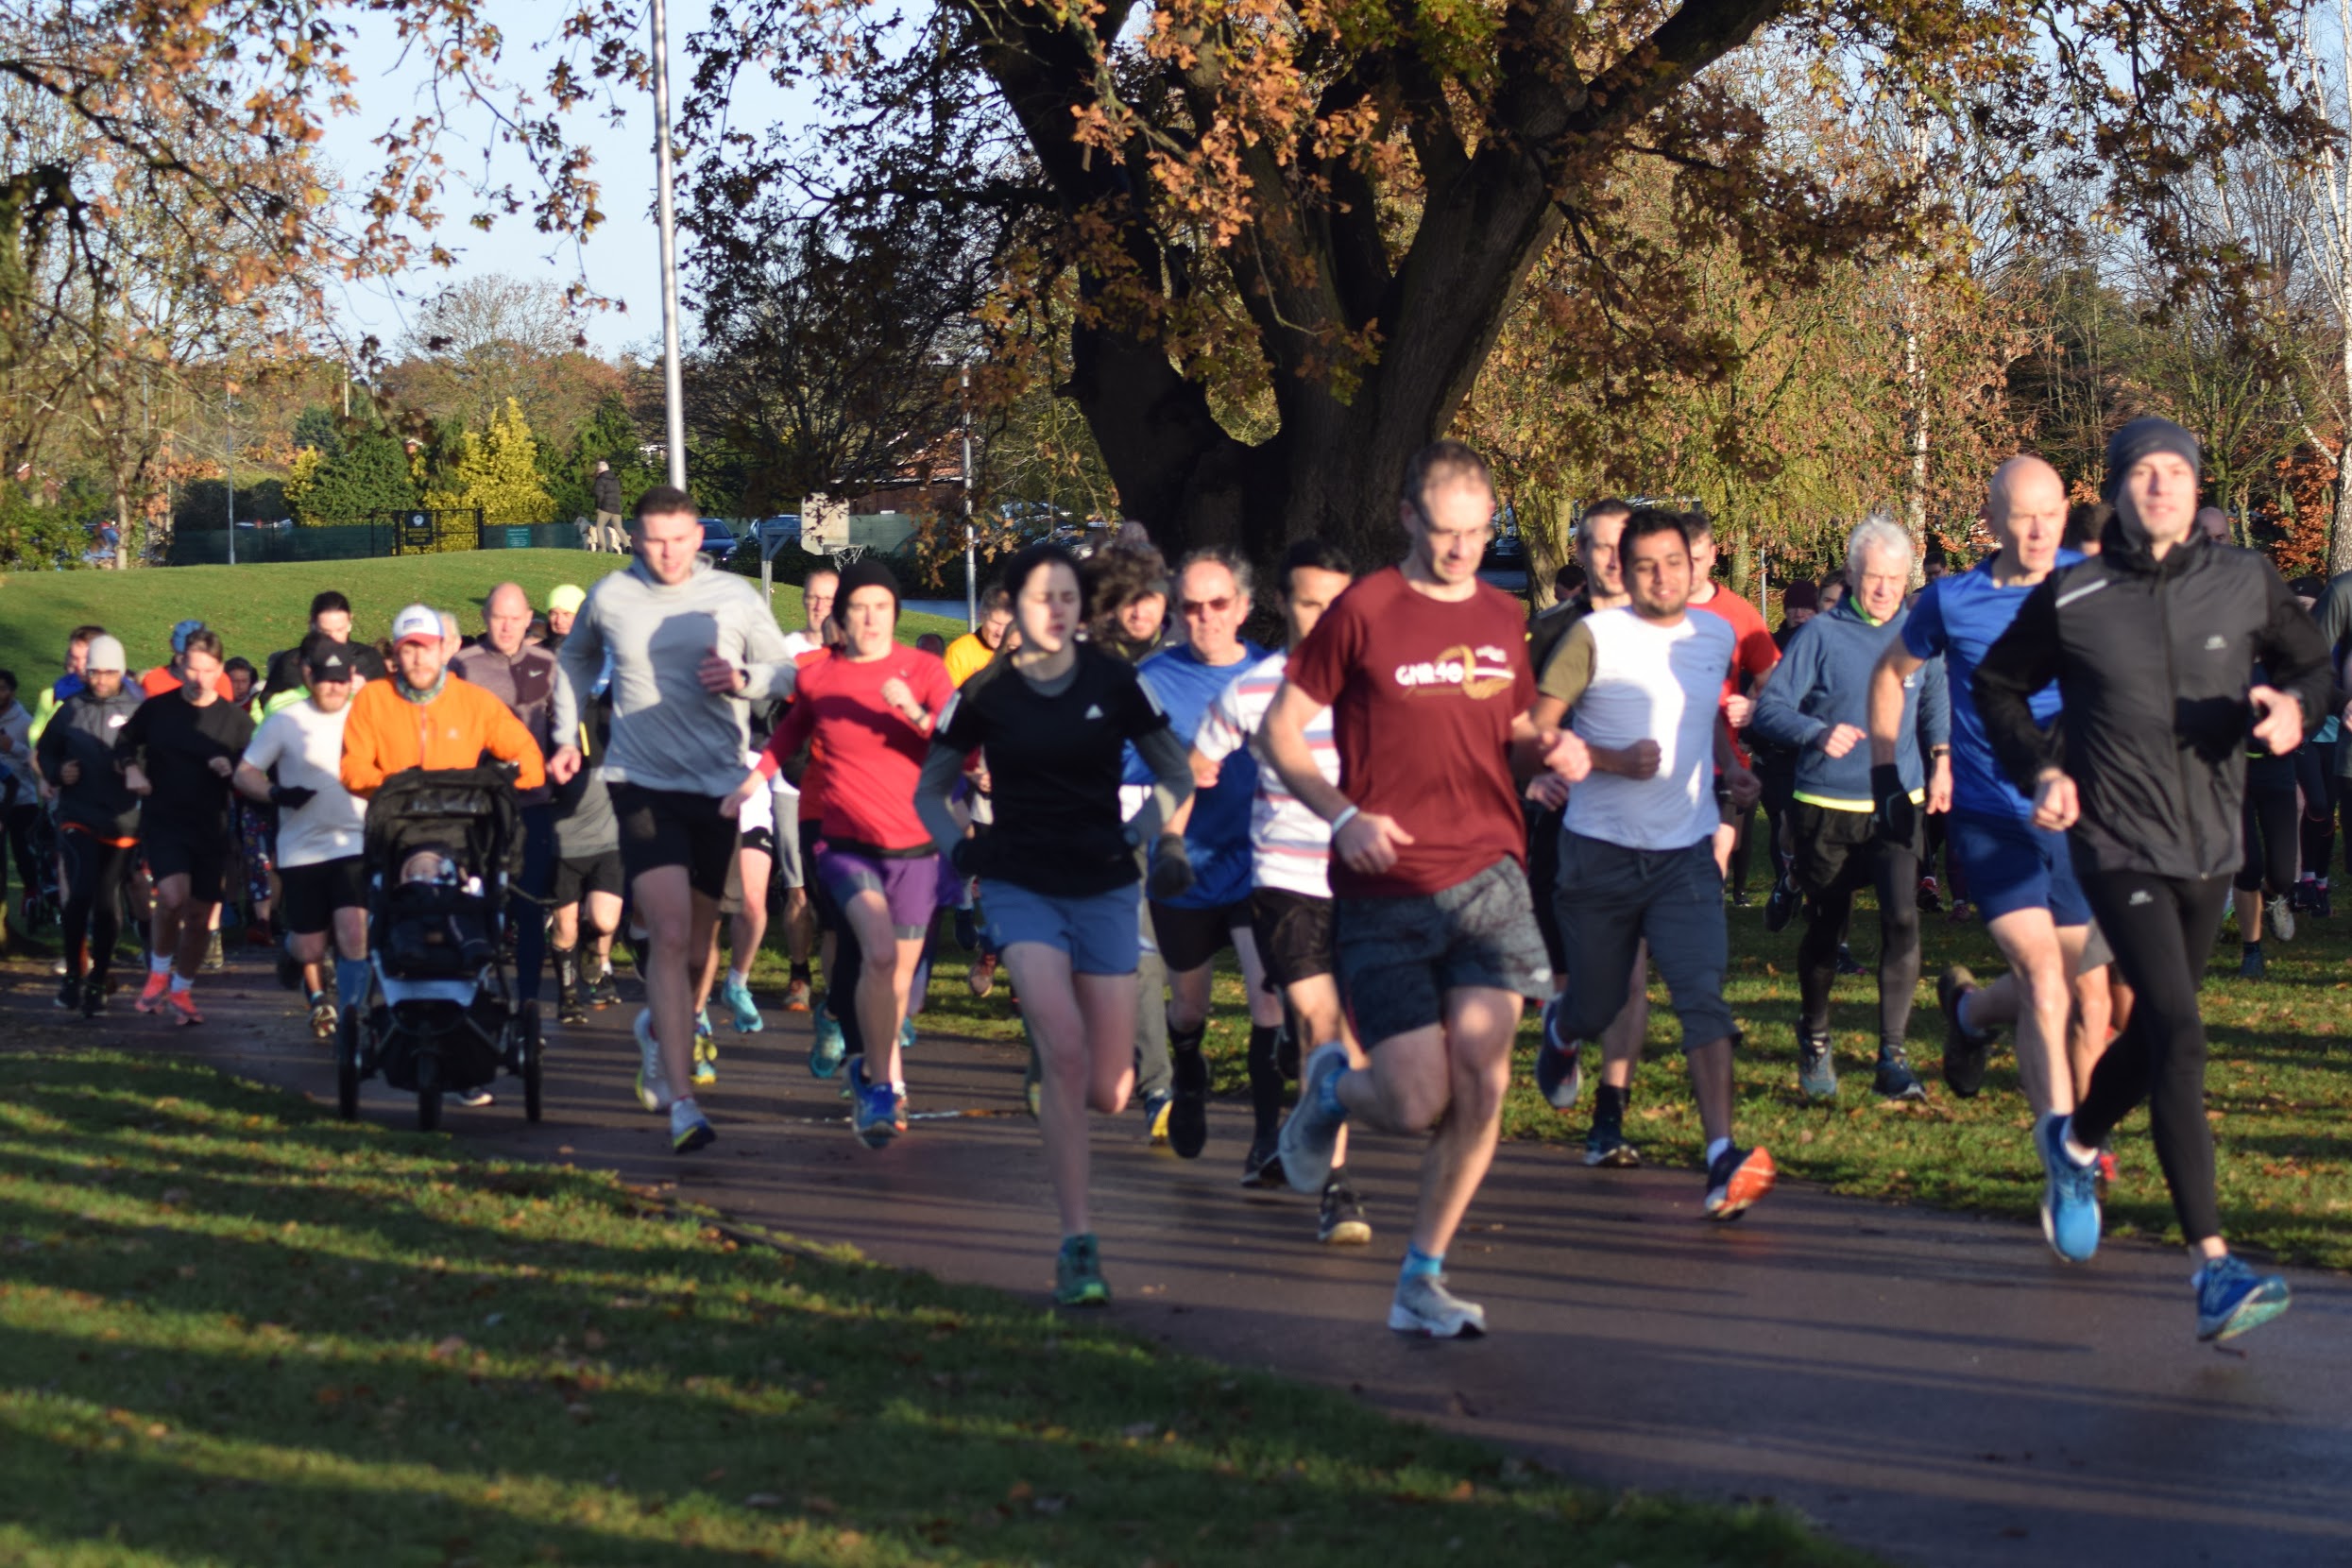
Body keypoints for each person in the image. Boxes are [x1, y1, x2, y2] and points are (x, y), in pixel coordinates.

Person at [1976, 415, 2327, 1341]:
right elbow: (1997, 686)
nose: (2163, 486)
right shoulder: (2077, 592)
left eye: (2178, 471)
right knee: (2179, 1031)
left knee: (2150, 1040)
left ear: (2198, 486)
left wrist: (2294, 708)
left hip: (2211, 847)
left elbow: (2315, 662)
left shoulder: (2246, 577)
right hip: (2116, 843)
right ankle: (2212, 1266)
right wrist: (2041, 769)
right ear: (2121, 488)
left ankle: (2075, 1141)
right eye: (2145, 473)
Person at [1267, 441, 1583, 1339]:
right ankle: (1332, 1088)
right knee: (1415, 1101)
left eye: (1477, 535)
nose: (1460, 552)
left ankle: (1422, 1277)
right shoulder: (1365, 609)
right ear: (1410, 518)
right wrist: (1341, 817)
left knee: (1483, 1083)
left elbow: (1513, 731)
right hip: (1386, 883)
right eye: (1444, 533)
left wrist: (1551, 753)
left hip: (1491, 876)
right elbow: (1280, 734)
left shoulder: (1498, 612)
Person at [914, 542, 1196, 1305]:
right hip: (1018, 883)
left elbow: (1174, 773)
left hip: (1104, 884)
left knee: (1109, 1088)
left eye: (1068, 597)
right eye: (1041, 597)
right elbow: (929, 788)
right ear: (1013, 606)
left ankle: (1071, 1069)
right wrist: (962, 850)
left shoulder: (1116, 681)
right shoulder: (986, 693)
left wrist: (1140, 841)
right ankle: (1078, 1241)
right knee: (1066, 1054)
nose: (1057, 610)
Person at [1867, 455, 2105, 1259]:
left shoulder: (2091, 582)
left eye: (2051, 514)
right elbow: (1891, 673)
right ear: (1993, 519)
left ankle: (1968, 1016)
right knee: (2046, 979)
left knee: (2090, 1001)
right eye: (2022, 516)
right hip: (1989, 817)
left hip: (2077, 816)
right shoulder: (1953, 600)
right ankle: (2064, 1162)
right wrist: (1885, 774)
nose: (2038, 531)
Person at [1528, 507, 1774, 1218]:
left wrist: (1734, 769)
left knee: (1702, 997)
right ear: (1623, 572)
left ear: (1695, 567)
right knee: (1602, 1000)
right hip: (1599, 854)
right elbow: (1537, 731)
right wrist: (1605, 759)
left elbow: (1700, 721)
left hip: (1685, 856)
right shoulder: (1591, 637)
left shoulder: (1717, 634)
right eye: (1646, 565)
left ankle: (1720, 1155)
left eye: (1675, 562)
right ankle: (1563, 1028)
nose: (1663, 576)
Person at [547, 486, 799, 1155]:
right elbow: (575, 658)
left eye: (679, 539)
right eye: (653, 539)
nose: (666, 552)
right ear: (634, 538)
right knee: (668, 928)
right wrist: (566, 733)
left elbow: (786, 673)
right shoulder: (611, 597)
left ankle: (663, 1030)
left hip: (717, 785)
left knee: (696, 951)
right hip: (642, 781)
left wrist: (742, 677)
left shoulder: (735, 597)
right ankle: (683, 1103)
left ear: (698, 538)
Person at [728, 559, 956, 1146]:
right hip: (845, 841)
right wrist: (757, 780)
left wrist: (914, 711)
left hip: (915, 846)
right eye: (859, 608)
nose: (870, 618)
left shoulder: (924, 669)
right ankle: (883, 1085)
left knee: (903, 986)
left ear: (896, 614)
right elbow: (789, 723)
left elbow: (960, 741)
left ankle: (867, 1062)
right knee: (877, 955)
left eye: (882, 607)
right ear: (842, 616)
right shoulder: (821, 675)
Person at [1190, 537, 1372, 1242]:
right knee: (1323, 1028)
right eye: (1307, 603)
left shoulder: (1376, 686)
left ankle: (1306, 1108)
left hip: (1363, 882)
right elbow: (1197, 763)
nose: (1323, 618)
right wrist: (1179, 816)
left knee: (1343, 1036)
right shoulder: (1252, 688)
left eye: (1335, 605)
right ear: (1280, 603)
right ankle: (1338, 1187)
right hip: (1286, 880)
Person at [1750, 516, 1950, 1102]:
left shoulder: (1919, 635)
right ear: (1854, 573)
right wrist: (1815, 732)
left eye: (1895, 578)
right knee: (1828, 926)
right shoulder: (1820, 636)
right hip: (1826, 805)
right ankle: (1814, 1033)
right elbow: (1770, 710)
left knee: (1901, 917)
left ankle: (1893, 1055)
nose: (1884, 590)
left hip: (1896, 800)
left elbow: (1936, 702)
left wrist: (1941, 757)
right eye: (1873, 578)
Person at [1134, 547, 1281, 1163]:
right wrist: (1177, 765)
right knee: (1191, 1006)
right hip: (1182, 866)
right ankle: (1188, 1075)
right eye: (1191, 607)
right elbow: (1119, 758)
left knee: (1267, 999)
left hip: (1256, 862)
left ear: (1243, 607)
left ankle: (1268, 1140)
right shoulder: (1151, 680)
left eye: (1218, 604)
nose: (1205, 618)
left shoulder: (1276, 674)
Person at [1526, 503, 1659, 1167]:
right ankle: (1563, 1033)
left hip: (1640, 821)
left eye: (1622, 545)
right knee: (1567, 971)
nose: (1612, 558)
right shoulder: (1548, 631)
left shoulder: (1668, 630)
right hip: (1565, 818)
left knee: (1631, 974)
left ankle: (1611, 1117)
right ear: (1578, 553)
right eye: (1600, 546)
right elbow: (1516, 726)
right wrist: (1532, 777)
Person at [116, 628, 253, 1025]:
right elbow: (124, 741)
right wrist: (131, 771)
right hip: (164, 819)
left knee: (199, 917)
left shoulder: (233, 721)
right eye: (192, 669)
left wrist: (232, 771)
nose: (198, 678)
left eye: (207, 671)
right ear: (181, 665)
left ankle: (182, 989)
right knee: (173, 898)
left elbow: (254, 770)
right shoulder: (158, 709)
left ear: (219, 671)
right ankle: (158, 971)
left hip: (211, 826)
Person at [235, 643, 369, 1039]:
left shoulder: (365, 717)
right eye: (325, 681)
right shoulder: (285, 720)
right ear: (309, 677)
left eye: (340, 681)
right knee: (310, 946)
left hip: (354, 841)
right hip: (301, 847)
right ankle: (306, 976)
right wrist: (275, 794)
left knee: (353, 931)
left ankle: (347, 1012)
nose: (333, 689)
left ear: (351, 680)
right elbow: (245, 773)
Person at [452, 584, 561, 1008]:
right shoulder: (464, 665)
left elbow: (563, 727)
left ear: (529, 617)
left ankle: (530, 1000)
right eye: (500, 617)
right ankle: (478, 995)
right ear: (485, 619)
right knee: (478, 902)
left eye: (516, 618)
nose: (508, 626)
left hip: (533, 802)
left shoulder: (547, 663)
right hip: (479, 807)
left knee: (530, 905)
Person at [35, 635, 142, 1015]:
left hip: (123, 817)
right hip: (77, 814)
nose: (101, 679)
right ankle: (71, 977)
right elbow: (45, 751)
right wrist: (57, 772)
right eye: (95, 672)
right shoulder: (70, 708)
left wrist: (134, 769)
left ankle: (98, 977)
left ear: (121, 670)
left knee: (106, 900)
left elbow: (153, 754)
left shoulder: (138, 706)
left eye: (109, 672)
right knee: (79, 893)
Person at [775, 568, 839, 1025]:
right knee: (797, 888)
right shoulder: (786, 652)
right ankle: (799, 975)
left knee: (837, 895)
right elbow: (773, 723)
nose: (819, 606)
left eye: (828, 599)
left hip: (844, 790)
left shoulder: (855, 653)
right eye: (812, 598)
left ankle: (838, 990)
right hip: (790, 786)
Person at [551, 677, 623, 1026]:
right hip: (564, 844)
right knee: (565, 927)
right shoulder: (542, 727)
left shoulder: (604, 717)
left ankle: (595, 953)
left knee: (604, 920)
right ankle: (568, 997)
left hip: (607, 840)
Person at [264, 591, 386, 700]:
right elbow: (267, 706)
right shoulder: (290, 663)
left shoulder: (369, 660)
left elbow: (387, 709)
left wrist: (367, 693)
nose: (333, 638)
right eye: (325, 632)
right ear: (311, 625)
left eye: (340, 630)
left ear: (350, 621)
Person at [139, 621, 238, 702]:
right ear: (171, 644)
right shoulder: (154, 680)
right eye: (183, 654)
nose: (187, 660)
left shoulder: (220, 681)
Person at [944, 586, 1014, 686]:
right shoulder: (959, 652)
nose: (1000, 632)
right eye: (995, 623)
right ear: (981, 616)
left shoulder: (1022, 651)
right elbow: (948, 698)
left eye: (1008, 625)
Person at [591, 461, 625, 553]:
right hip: (616, 507)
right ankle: (628, 545)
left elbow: (599, 494)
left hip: (605, 508)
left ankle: (602, 548)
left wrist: (598, 506)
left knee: (599, 527)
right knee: (619, 528)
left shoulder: (600, 480)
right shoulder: (615, 480)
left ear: (600, 469)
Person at [543, 584, 586, 653]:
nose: (559, 621)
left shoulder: (599, 653)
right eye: (554, 614)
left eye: (566, 614)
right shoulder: (538, 653)